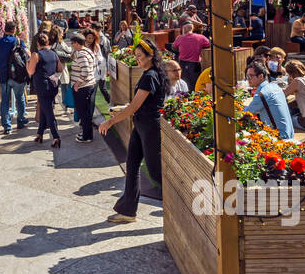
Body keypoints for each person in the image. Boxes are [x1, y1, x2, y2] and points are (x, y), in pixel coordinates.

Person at [99, 40, 167, 222]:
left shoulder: (150, 76)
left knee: (155, 173)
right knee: (132, 165)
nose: (136, 59)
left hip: (150, 127)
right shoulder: (150, 74)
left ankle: (184, 202)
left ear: (150, 56)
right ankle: (127, 211)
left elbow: (134, 107)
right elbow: (137, 105)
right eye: (135, 56)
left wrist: (111, 121)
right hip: (141, 125)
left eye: (139, 56)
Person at [27, 32, 62, 149]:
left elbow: (30, 72)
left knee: (48, 112)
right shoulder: (54, 53)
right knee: (44, 108)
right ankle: (39, 134)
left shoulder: (36, 55)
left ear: (38, 43)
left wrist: (28, 64)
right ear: (47, 42)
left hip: (42, 86)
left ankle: (56, 136)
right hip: (53, 85)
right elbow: (60, 68)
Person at [0, 22, 28, 133]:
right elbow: (27, 54)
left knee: (5, 101)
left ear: (4, 29)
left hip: (3, 77)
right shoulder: (17, 41)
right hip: (17, 76)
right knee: (20, 98)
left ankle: (7, 126)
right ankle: (20, 121)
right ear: (14, 30)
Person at [243, 61, 295, 140]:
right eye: (247, 76)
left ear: (261, 76)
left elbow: (245, 113)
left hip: (279, 137)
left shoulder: (262, 93)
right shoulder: (275, 86)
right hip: (289, 133)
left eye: (250, 76)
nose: (248, 79)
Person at [68, 34, 97, 143]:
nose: (72, 45)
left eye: (72, 43)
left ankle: (87, 136)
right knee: (86, 113)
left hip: (83, 87)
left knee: (83, 113)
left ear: (76, 43)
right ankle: (87, 133)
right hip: (89, 84)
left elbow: (85, 71)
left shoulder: (81, 54)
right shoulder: (88, 51)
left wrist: (77, 84)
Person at [171, 21, 210, 90]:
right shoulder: (200, 37)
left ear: (184, 29)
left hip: (183, 64)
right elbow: (208, 44)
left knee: (184, 84)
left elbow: (173, 47)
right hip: (194, 64)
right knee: (195, 84)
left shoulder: (180, 38)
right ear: (192, 28)